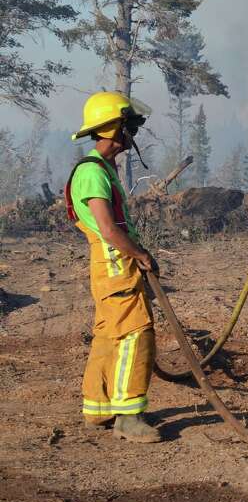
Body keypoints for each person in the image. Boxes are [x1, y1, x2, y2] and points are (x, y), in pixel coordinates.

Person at [65, 91, 161, 443]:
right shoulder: (92, 172)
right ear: (113, 129)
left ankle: (99, 408)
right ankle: (128, 417)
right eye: (128, 126)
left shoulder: (102, 168)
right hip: (114, 263)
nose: (132, 134)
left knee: (109, 334)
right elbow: (107, 229)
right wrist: (141, 255)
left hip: (112, 263)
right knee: (136, 333)